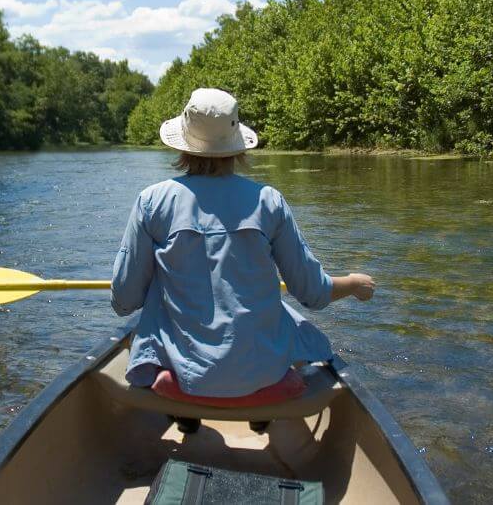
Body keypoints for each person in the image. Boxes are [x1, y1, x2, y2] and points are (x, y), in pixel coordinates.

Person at [111, 88, 375, 405]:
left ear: (183, 145)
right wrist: (354, 283)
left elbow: (124, 301)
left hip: (181, 379)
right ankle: (261, 419)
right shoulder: (269, 202)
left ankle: (184, 418)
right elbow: (312, 293)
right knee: (288, 317)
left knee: (158, 299)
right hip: (265, 379)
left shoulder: (151, 202)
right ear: (237, 147)